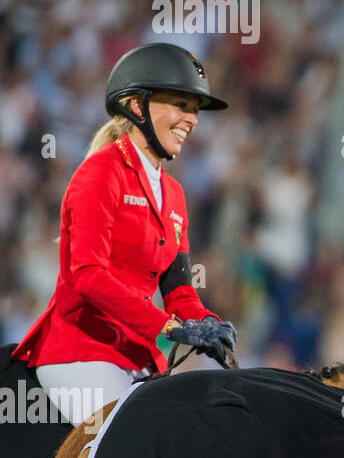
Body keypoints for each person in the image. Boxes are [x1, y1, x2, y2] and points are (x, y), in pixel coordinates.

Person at [12, 44, 238, 426]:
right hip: (82, 354)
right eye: (181, 105)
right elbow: (87, 276)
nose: (192, 119)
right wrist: (169, 327)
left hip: (138, 357)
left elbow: (180, 292)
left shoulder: (176, 197)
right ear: (137, 106)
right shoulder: (100, 172)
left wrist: (207, 323)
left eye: (194, 109)